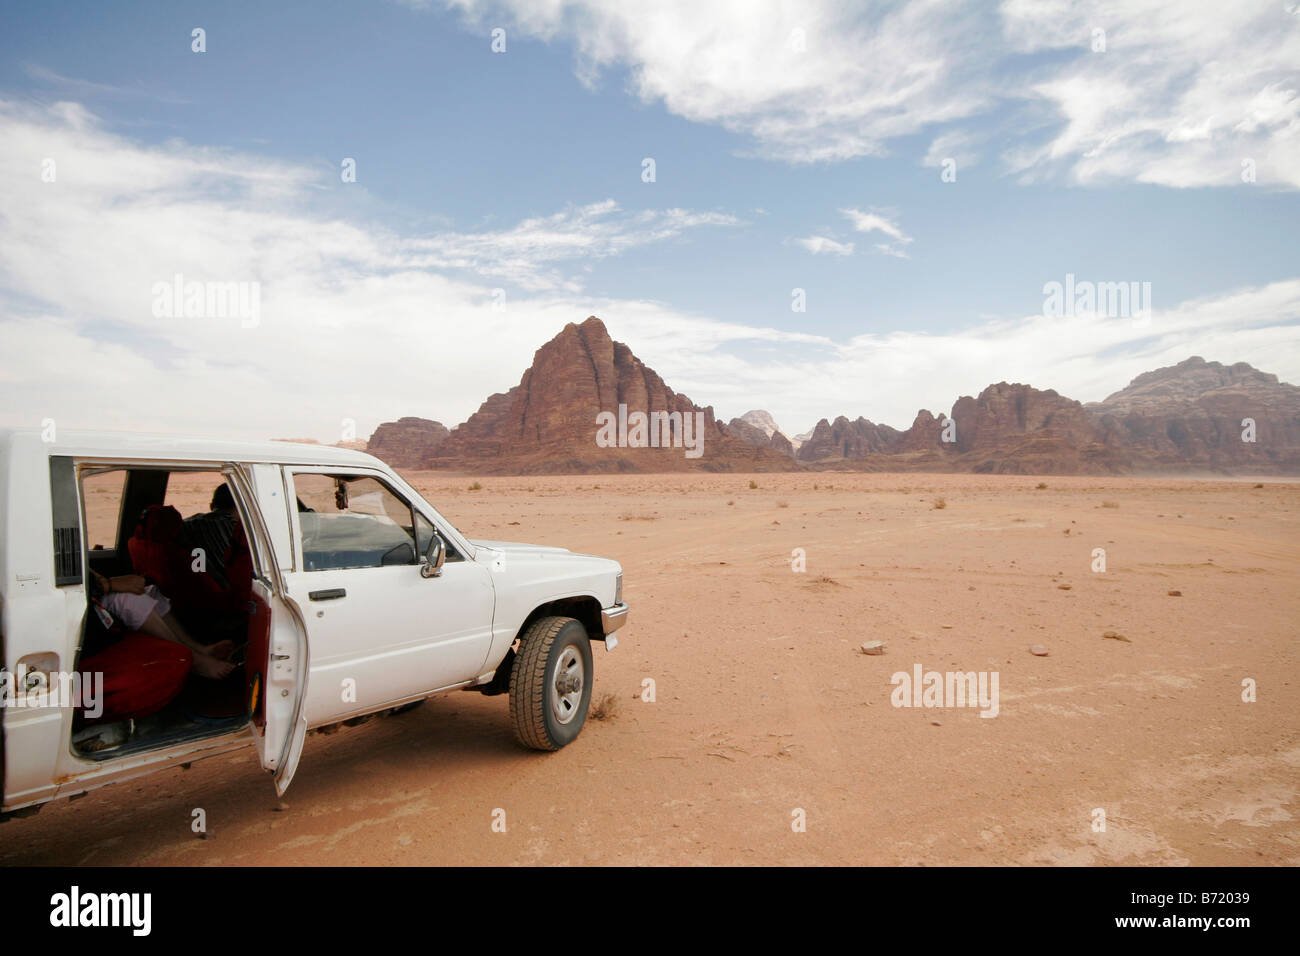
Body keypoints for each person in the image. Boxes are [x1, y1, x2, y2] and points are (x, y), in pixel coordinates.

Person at [88, 570, 234, 679]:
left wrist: (110, 582)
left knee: (150, 591)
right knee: (130, 600)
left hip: (94, 593)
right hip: (87, 611)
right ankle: (195, 661)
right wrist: (110, 585)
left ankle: (197, 648)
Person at [182, 483, 239, 587]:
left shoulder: (184, 525)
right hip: (225, 595)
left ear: (211, 506)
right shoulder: (240, 532)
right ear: (240, 508)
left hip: (190, 590)